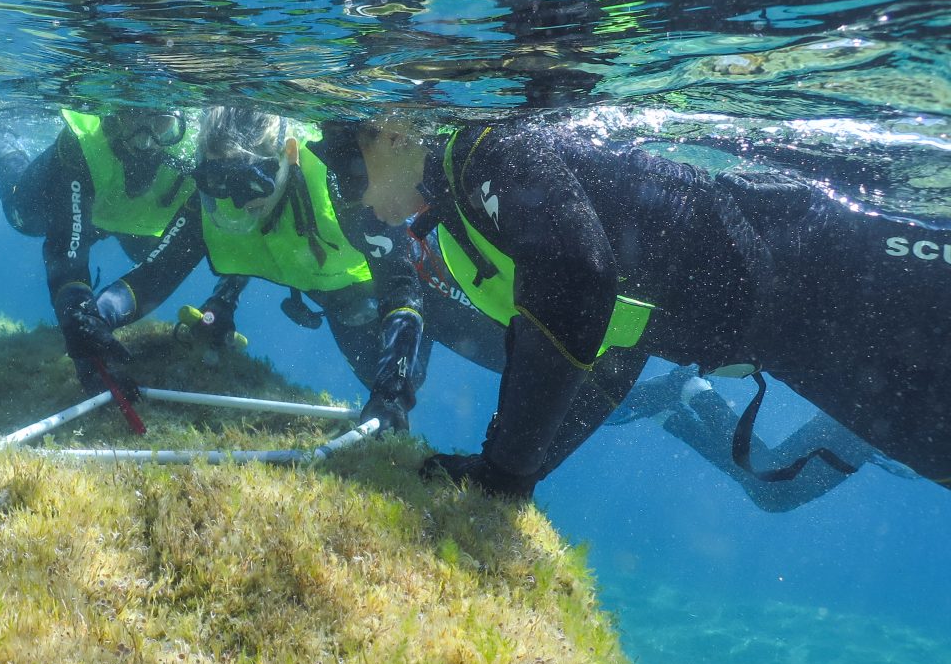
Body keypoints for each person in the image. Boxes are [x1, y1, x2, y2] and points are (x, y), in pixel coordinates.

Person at [325, 115, 951, 498]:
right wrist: (517, 474)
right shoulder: (459, 212)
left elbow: (575, 280)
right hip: (791, 333)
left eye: (347, 167)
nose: (345, 194)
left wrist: (507, 468)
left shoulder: (484, 148)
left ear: (394, 130)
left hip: (832, 264)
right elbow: (610, 350)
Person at [69, 107, 427, 434]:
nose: (238, 200)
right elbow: (156, 273)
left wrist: (393, 388)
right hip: (300, 270)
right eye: (219, 181)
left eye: (252, 180)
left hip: (347, 292)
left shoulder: (343, 189)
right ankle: (226, 294)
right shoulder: (210, 207)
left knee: (404, 375)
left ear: (288, 154)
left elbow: (401, 284)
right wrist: (97, 316)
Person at [0, 108, 212, 394]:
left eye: (161, 124)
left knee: (145, 253)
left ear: (180, 124)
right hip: (74, 205)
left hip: (126, 217)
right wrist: (78, 314)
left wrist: (104, 315)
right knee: (20, 216)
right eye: (133, 118)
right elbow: (65, 246)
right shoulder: (81, 147)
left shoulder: (204, 154)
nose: (144, 141)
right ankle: (3, 134)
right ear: (113, 116)